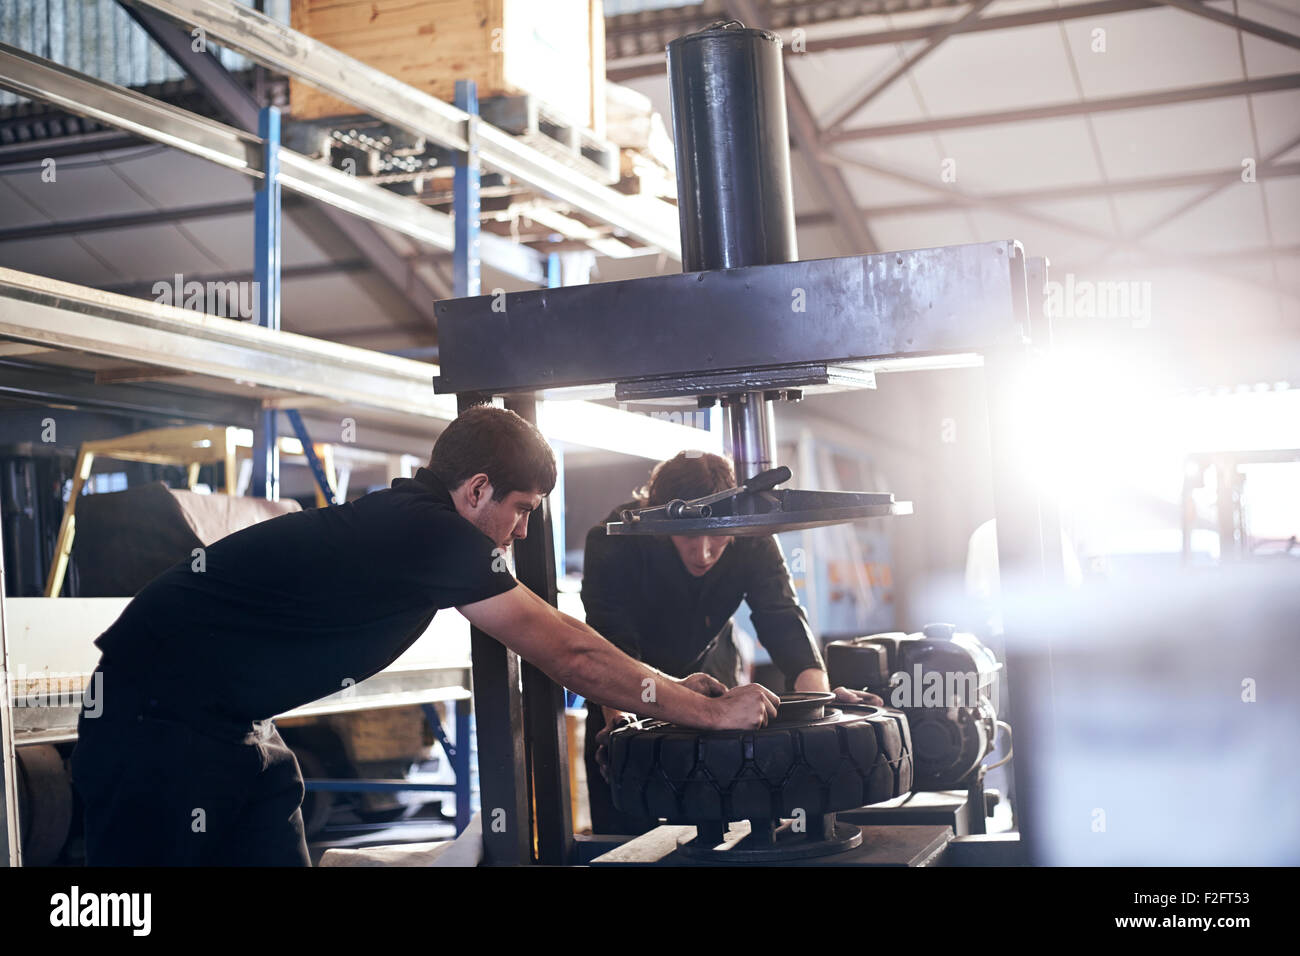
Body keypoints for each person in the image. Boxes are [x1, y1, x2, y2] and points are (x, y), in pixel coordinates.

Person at [69, 406, 778, 866]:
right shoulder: (429, 532)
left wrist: (670, 686)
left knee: (268, 818)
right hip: (151, 717)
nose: (524, 531)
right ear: (475, 492)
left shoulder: (422, 527)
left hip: (223, 722)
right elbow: (568, 652)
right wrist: (708, 711)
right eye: (521, 510)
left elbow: (559, 629)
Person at [580, 450, 881, 835]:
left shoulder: (749, 536)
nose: (704, 552)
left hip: (712, 685)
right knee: (626, 840)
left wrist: (820, 711)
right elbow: (612, 644)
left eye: (718, 535)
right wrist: (621, 728)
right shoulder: (615, 539)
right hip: (622, 696)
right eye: (688, 535)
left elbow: (783, 620)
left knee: (722, 832)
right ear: (658, 518)